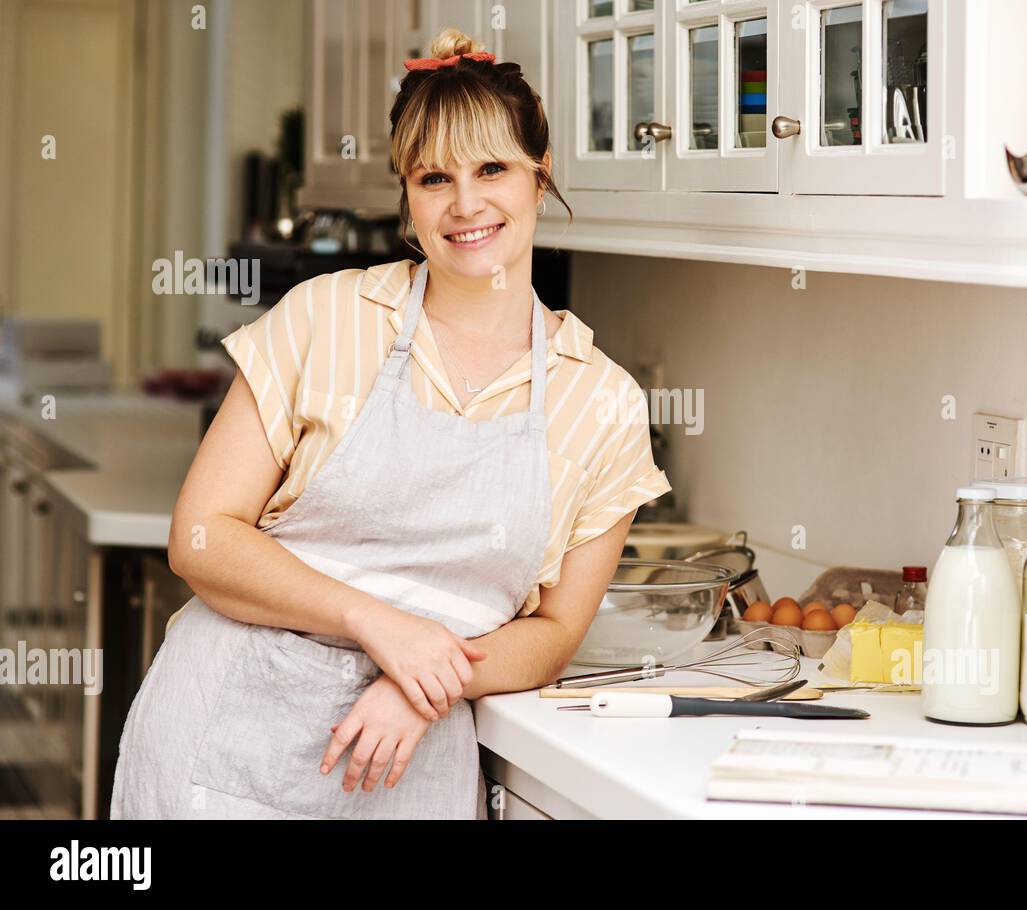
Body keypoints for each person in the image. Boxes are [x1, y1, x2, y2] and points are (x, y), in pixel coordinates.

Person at [110, 27, 670, 819]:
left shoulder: (603, 403)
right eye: (435, 176)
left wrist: (428, 684)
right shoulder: (327, 319)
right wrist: (380, 627)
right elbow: (202, 537)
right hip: (219, 744)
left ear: (540, 178)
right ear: (406, 193)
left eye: (493, 169)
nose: (466, 204)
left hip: (406, 763)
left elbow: (554, 632)